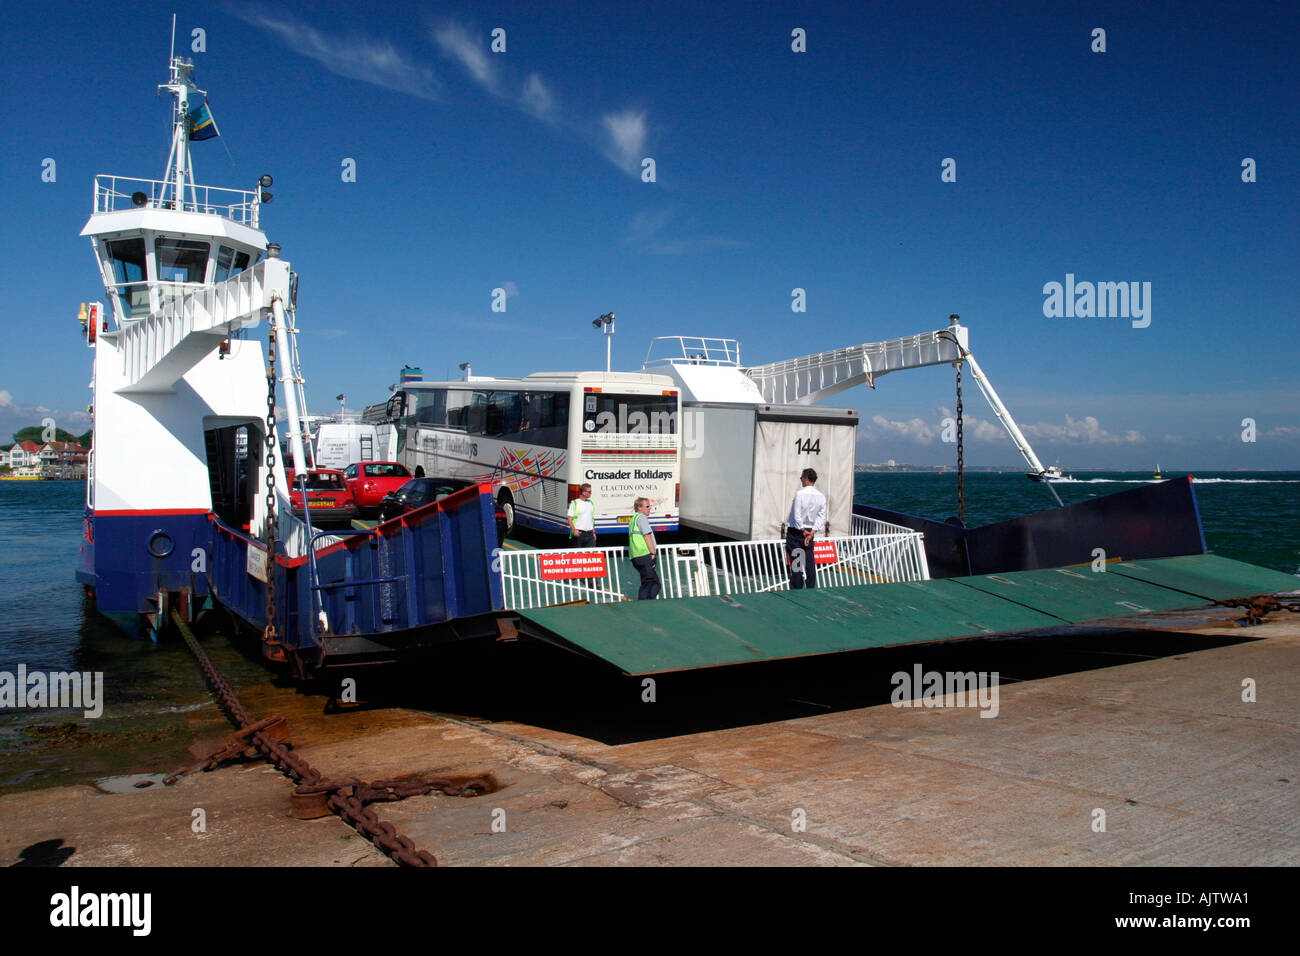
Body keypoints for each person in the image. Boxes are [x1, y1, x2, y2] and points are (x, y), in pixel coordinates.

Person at [785, 467, 827, 589]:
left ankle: (796, 588)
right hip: (810, 531)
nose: (801, 480)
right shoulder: (821, 496)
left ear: (807, 479)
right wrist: (812, 532)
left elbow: (797, 515)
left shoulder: (800, 494)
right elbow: (821, 517)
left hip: (797, 532)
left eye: (802, 478)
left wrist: (803, 530)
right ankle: (811, 587)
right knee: (809, 561)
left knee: (796, 562)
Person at [628, 497, 661, 600]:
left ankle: (648, 601)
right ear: (639, 507)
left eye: (649, 506)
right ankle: (644, 604)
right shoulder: (642, 518)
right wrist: (652, 553)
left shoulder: (634, 518)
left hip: (636, 556)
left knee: (650, 582)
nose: (649, 508)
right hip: (643, 554)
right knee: (650, 583)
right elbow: (647, 535)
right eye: (647, 506)